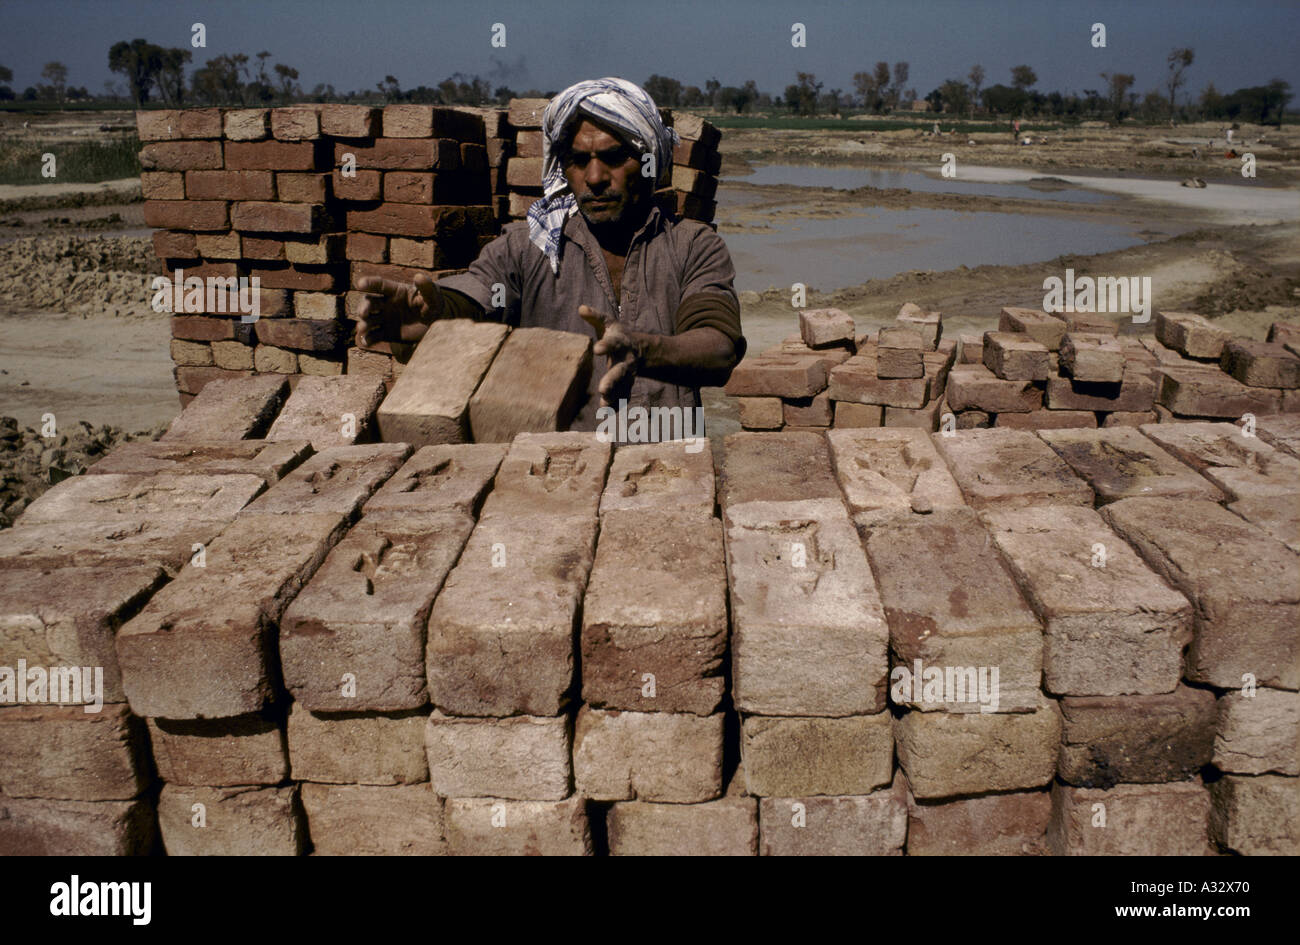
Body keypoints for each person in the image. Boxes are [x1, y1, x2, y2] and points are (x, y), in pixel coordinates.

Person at [354, 77, 745, 436]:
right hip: (552, 474)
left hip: (664, 471)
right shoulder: (527, 246)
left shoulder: (692, 244)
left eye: (613, 158)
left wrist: (641, 349)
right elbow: (477, 294)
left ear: (648, 162)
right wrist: (438, 314)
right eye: (578, 161)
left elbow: (718, 346)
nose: (594, 178)